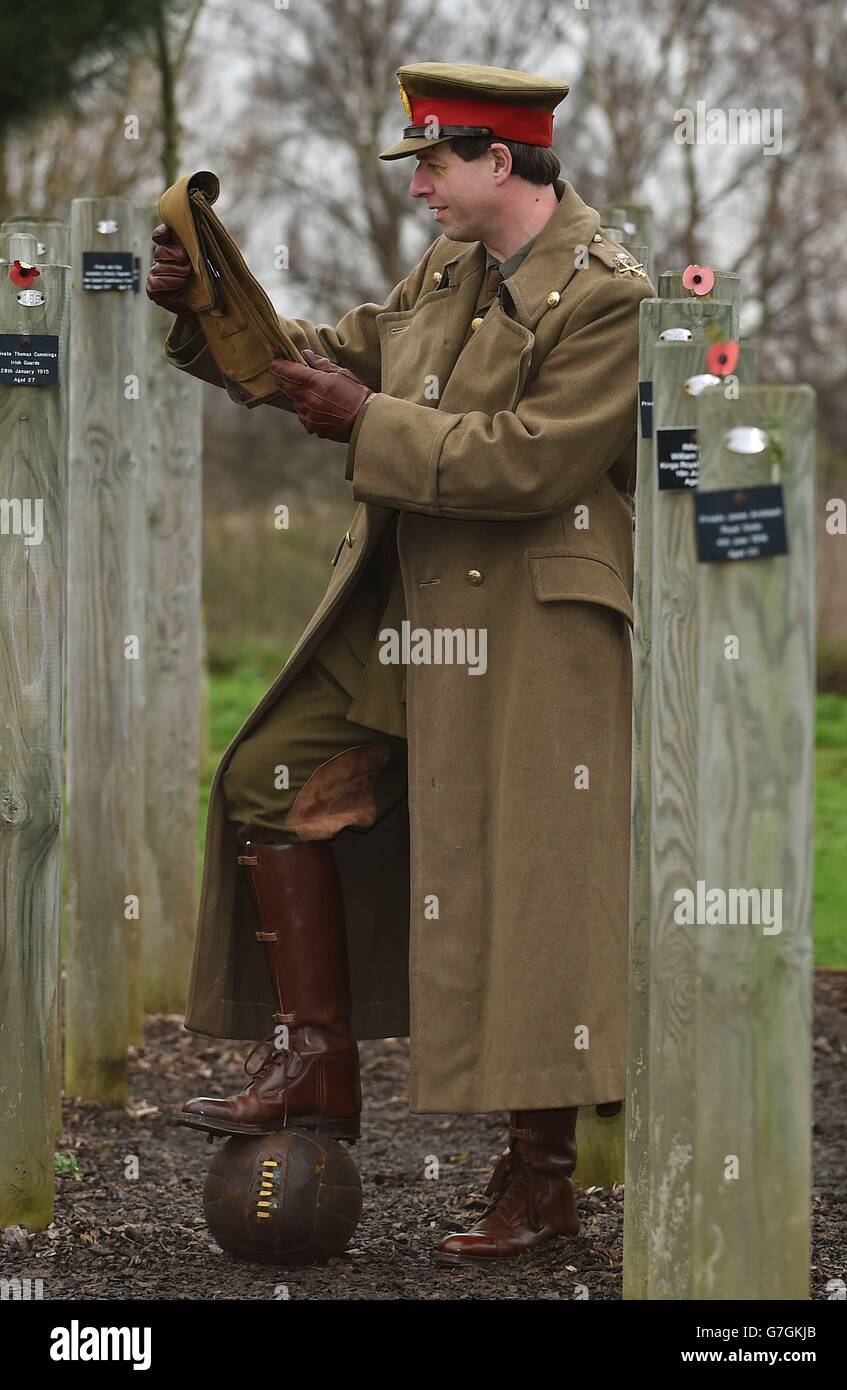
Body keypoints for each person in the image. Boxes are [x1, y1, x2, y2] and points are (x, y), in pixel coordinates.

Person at [146, 60, 654, 1265]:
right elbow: (329, 354)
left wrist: (362, 420)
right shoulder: (447, 268)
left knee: (527, 891)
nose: (418, 182)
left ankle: (540, 1181)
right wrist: (206, 307)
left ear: (501, 161)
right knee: (270, 772)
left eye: (433, 161)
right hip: (408, 610)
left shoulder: (610, 294)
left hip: (537, 634)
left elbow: (533, 460)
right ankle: (317, 1064)